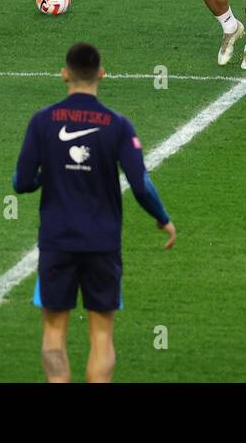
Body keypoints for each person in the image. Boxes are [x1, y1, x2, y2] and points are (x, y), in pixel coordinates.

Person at [13, 42, 176, 383]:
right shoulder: (117, 125)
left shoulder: (42, 121)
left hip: (57, 242)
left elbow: (22, 183)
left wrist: (50, 172)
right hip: (102, 243)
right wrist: (162, 218)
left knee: (54, 332)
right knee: (101, 335)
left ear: (64, 75)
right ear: (101, 74)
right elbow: (141, 184)